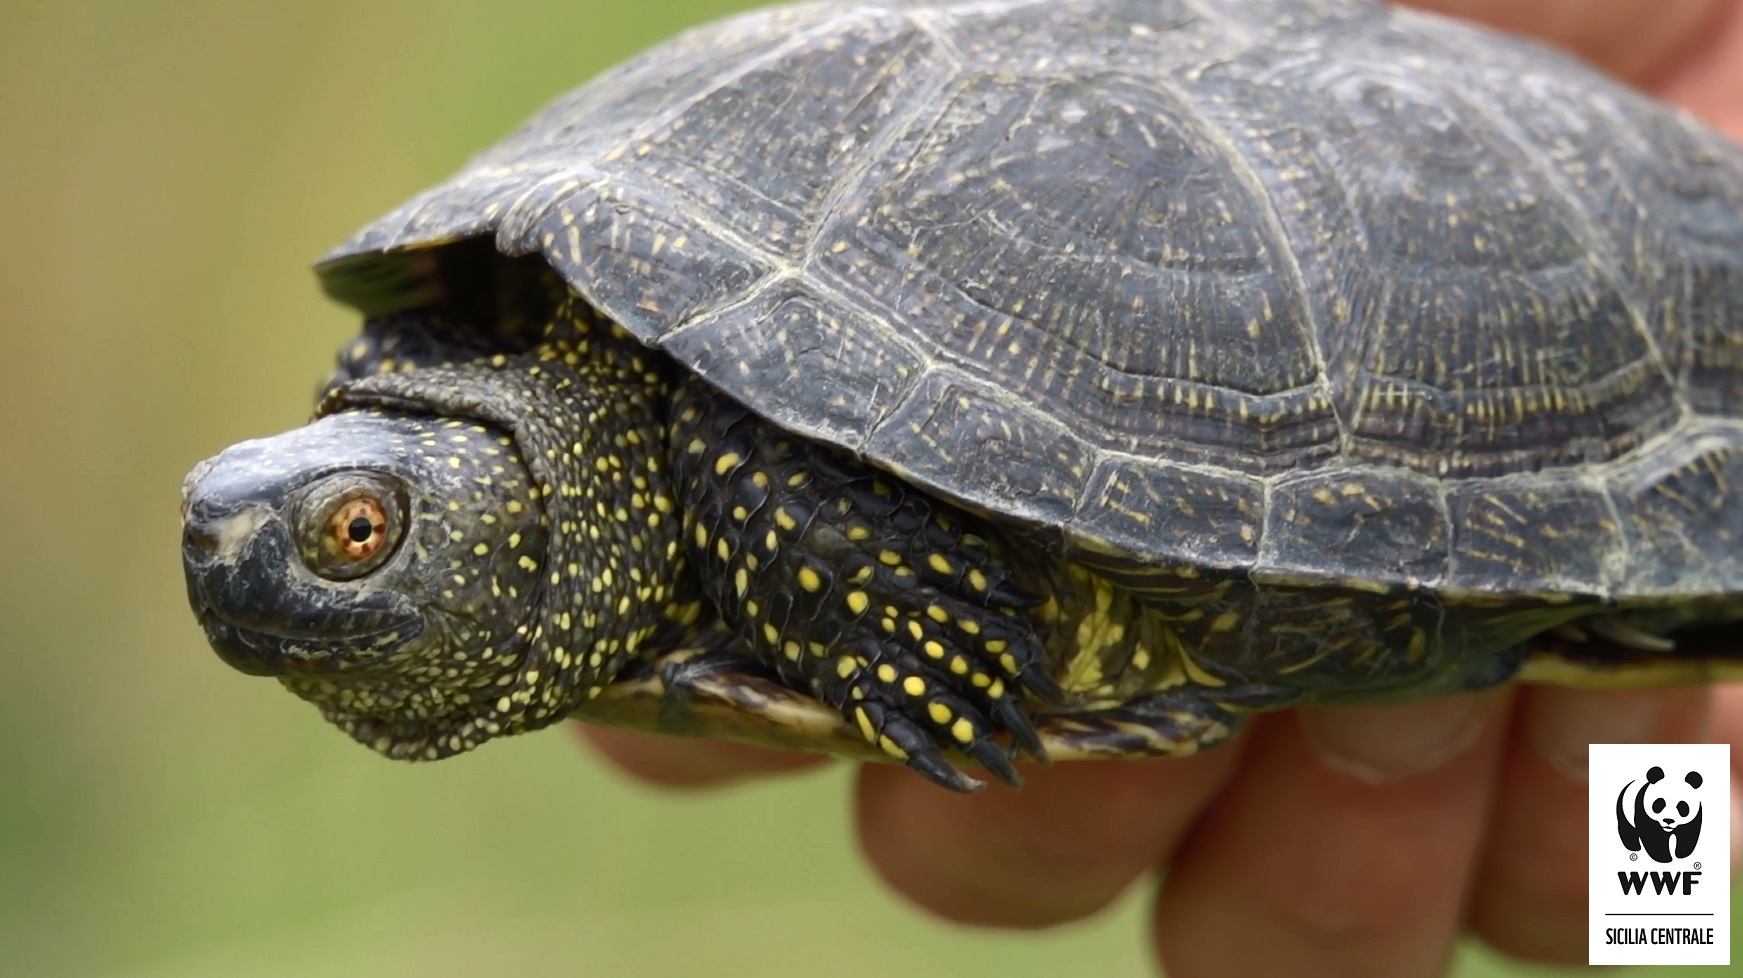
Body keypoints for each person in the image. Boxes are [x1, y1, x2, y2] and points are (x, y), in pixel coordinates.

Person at [576, 2, 1743, 973]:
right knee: (1631, 905)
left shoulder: (736, 465)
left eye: (377, 531)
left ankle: (1667, 924)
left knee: (1651, 892)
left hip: (1592, 384)